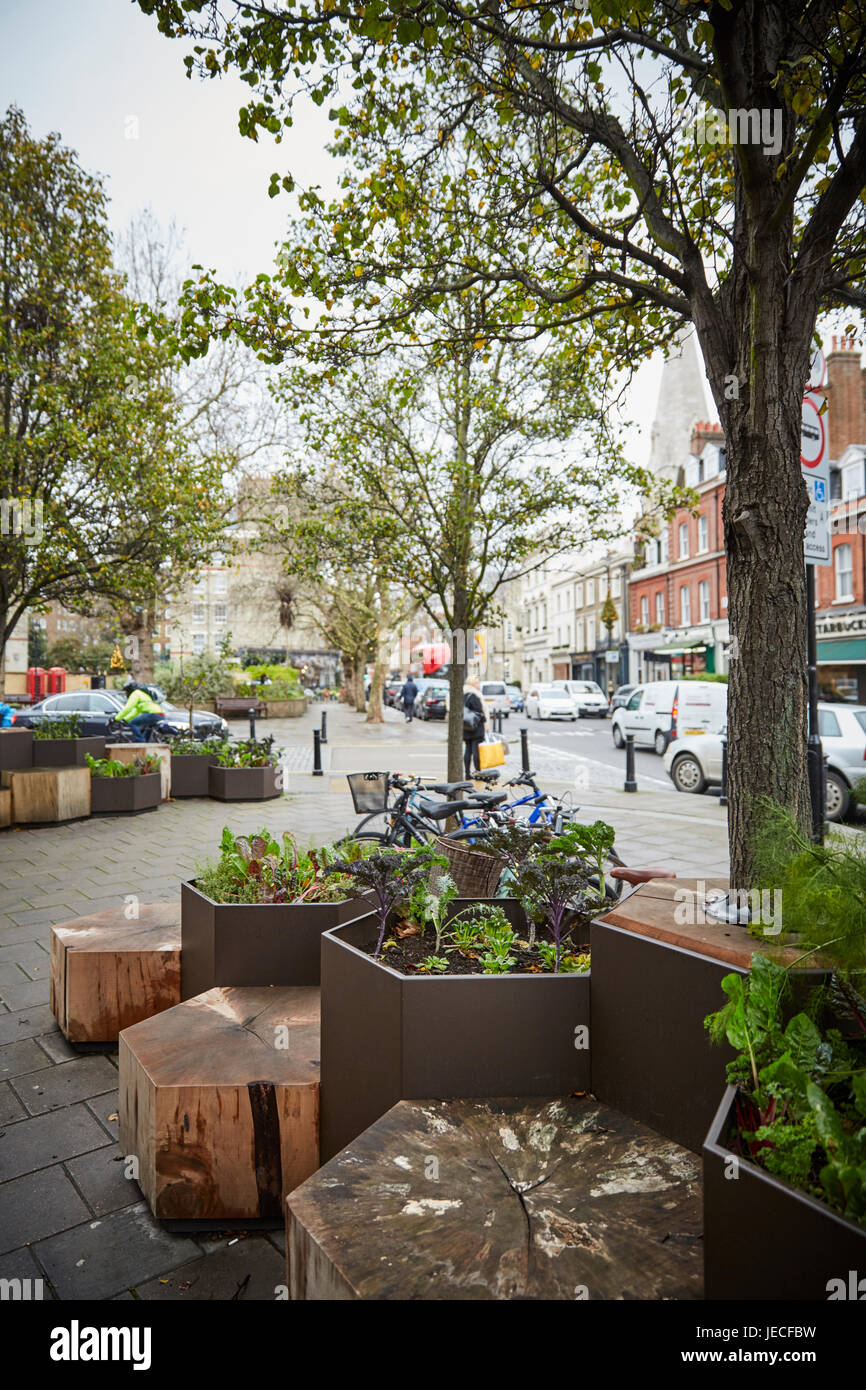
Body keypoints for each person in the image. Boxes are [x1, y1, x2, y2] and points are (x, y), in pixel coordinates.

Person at [462, 676, 486, 777]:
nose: (478, 685)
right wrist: (485, 721)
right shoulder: (474, 696)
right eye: (477, 683)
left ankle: (467, 772)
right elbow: (479, 711)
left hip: (466, 726)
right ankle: (478, 771)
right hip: (476, 726)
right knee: (476, 750)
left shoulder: (463, 694)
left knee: (468, 749)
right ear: (472, 684)